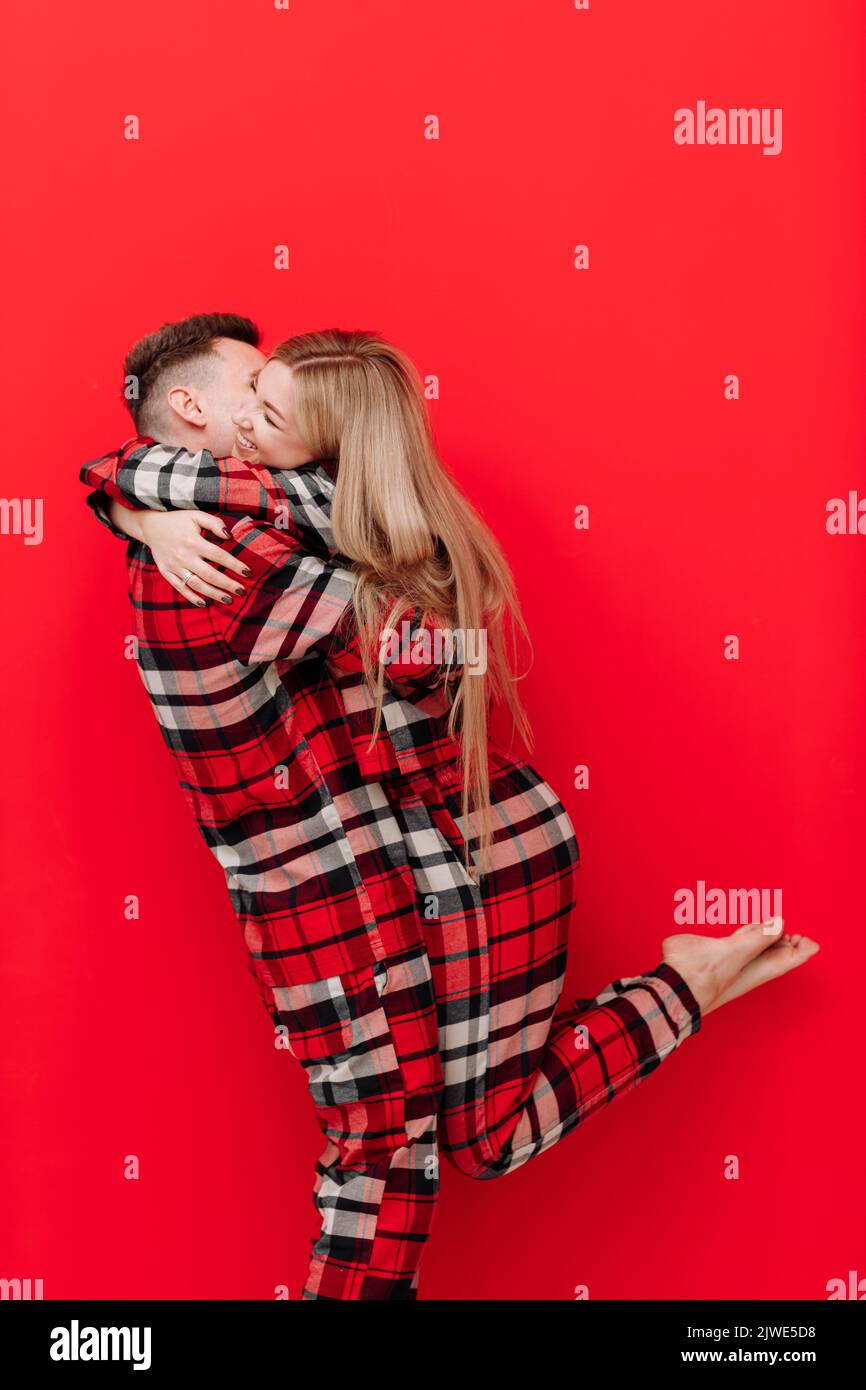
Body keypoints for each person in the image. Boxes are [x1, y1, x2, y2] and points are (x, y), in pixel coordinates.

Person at [82, 319, 820, 1300]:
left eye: (281, 405)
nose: (265, 412)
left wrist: (125, 489)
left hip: (459, 856)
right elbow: (209, 500)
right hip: (373, 882)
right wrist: (129, 494)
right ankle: (678, 987)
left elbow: (419, 651)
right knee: (479, 1136)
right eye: (254, 390)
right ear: (187, 409)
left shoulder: (255, 518)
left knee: (383, 1145)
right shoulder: (216, 537)